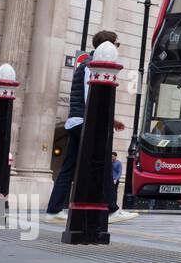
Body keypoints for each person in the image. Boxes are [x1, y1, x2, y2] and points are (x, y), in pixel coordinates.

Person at [45, 31, 138, 224]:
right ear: (108, 45)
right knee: (102, 163)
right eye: (116, 44)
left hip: (77, 121)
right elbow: (92, 97)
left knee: (69, 167)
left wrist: (111, 120)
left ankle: (54, 210)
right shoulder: (91, 64)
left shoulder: (86, 63)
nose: (116, 48)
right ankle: (111, 209)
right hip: (85, 123)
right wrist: (102, 122)